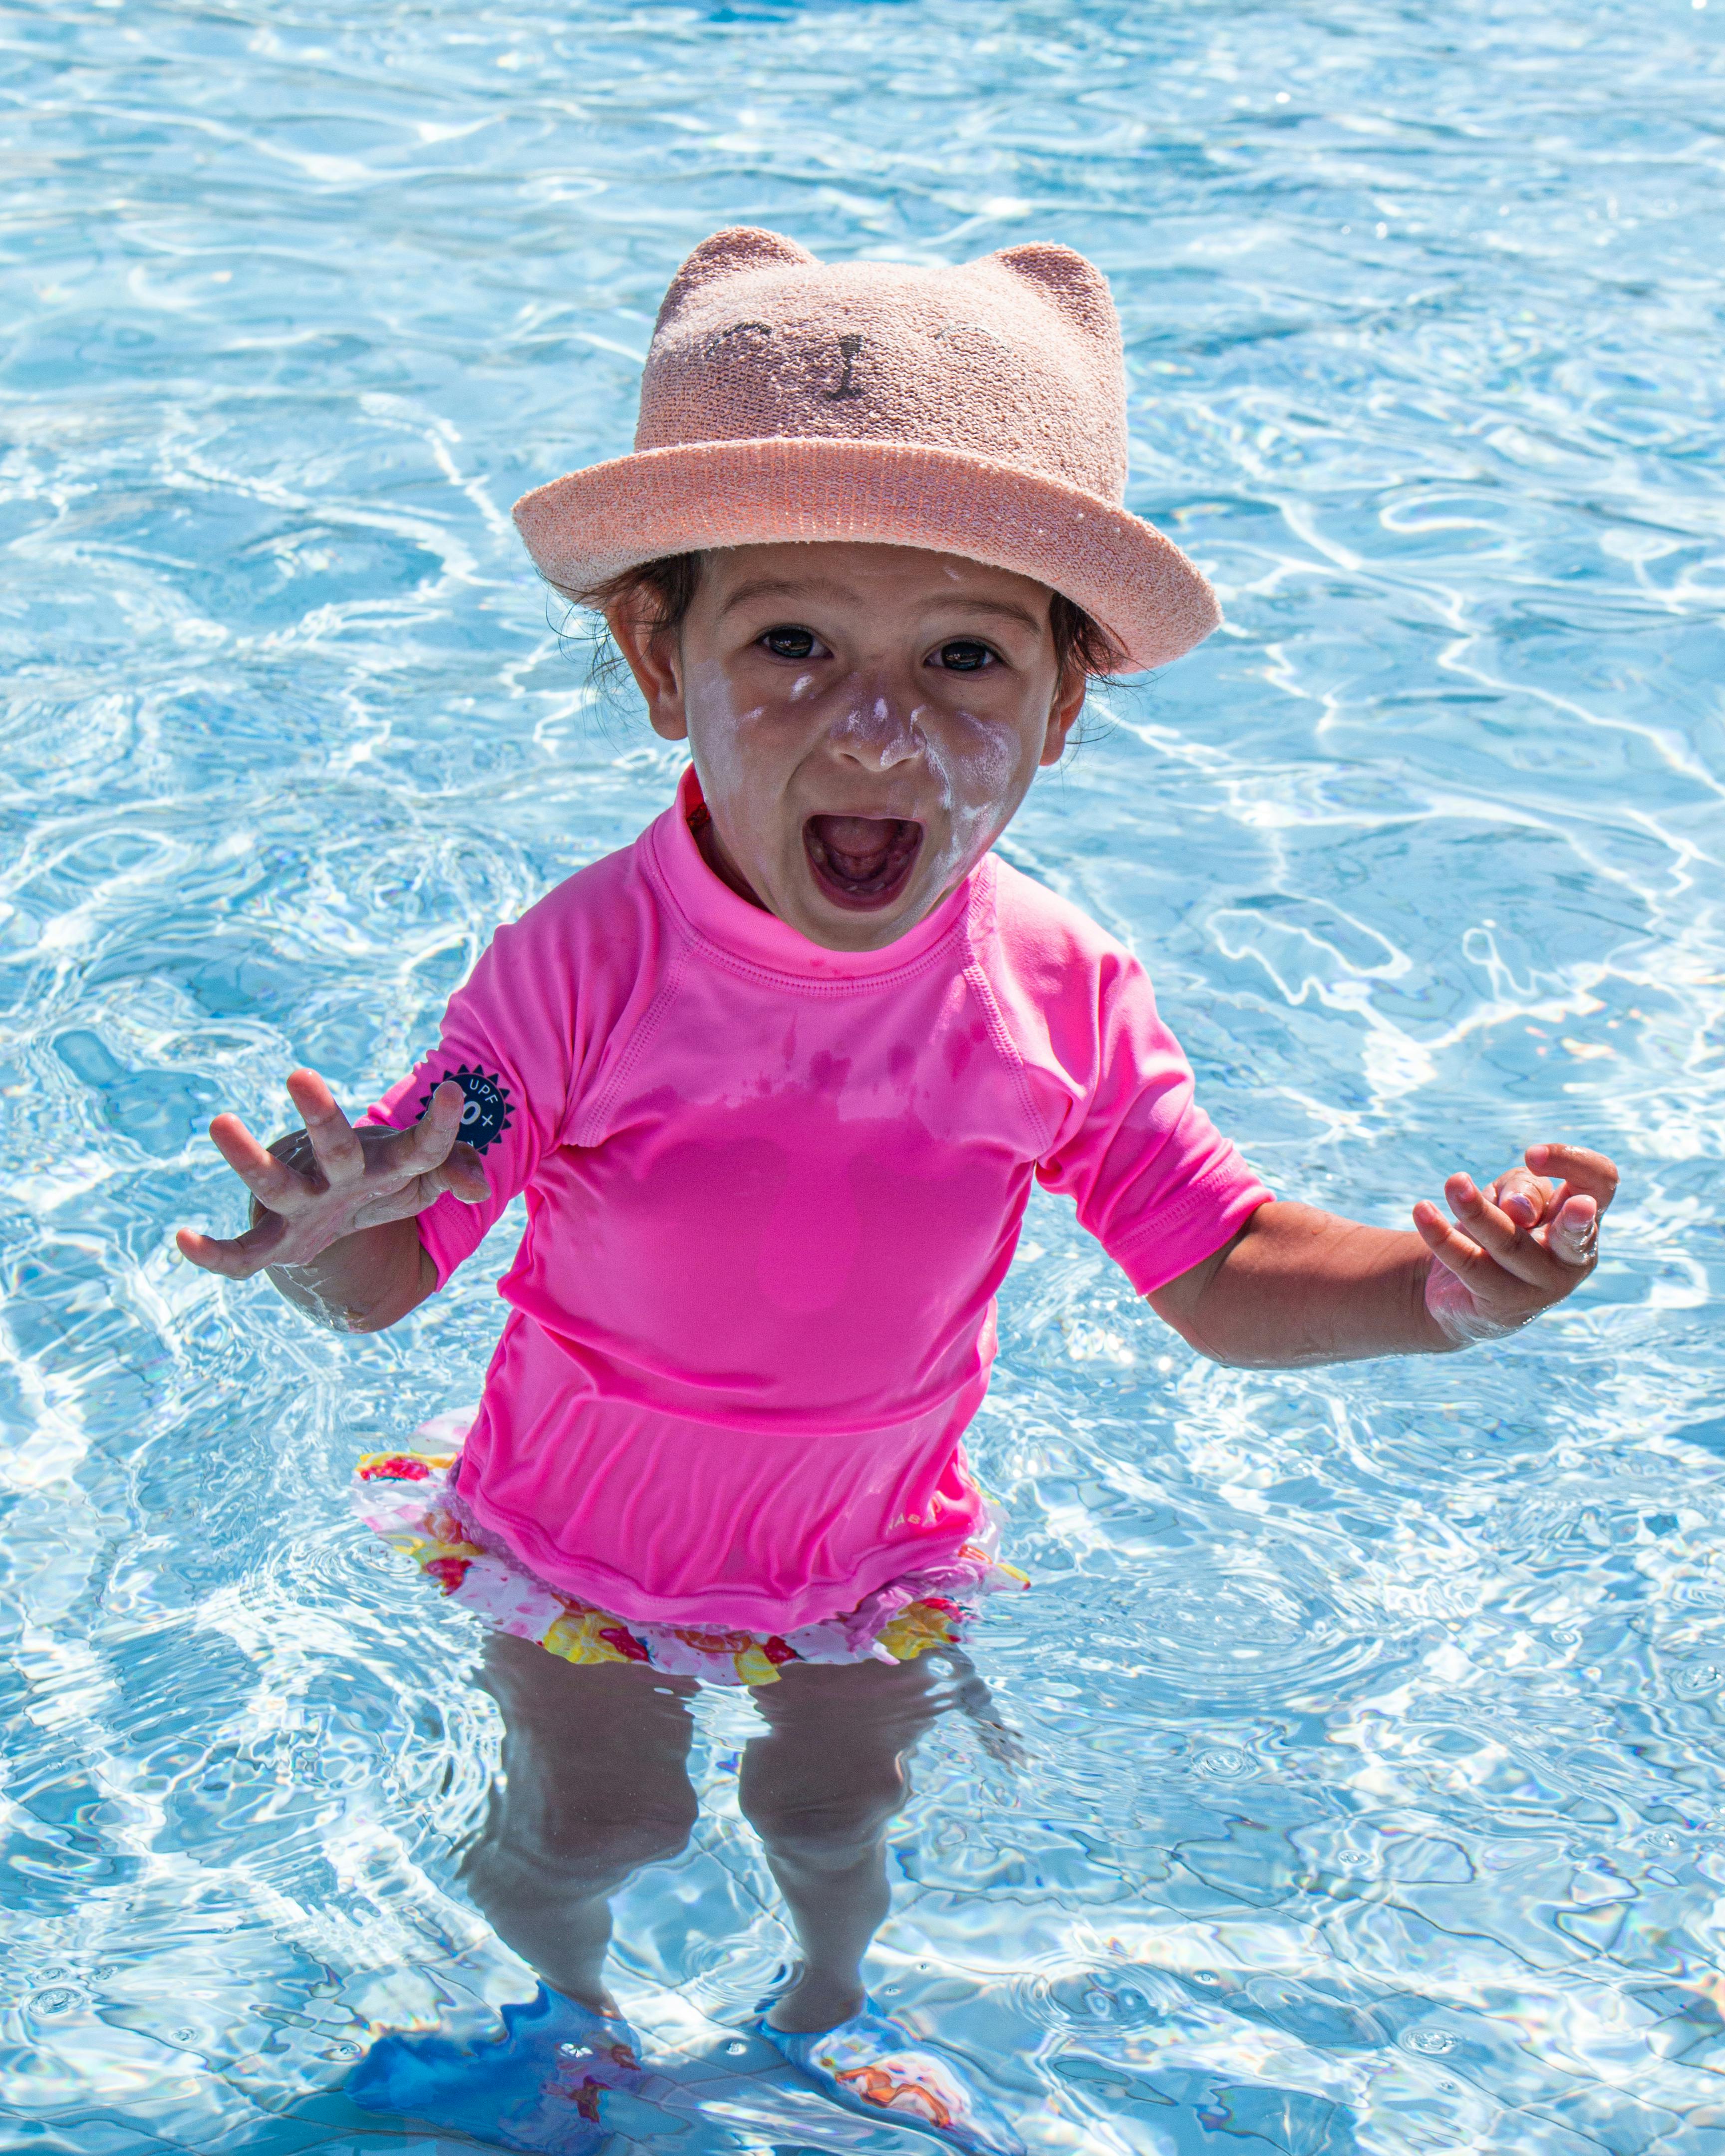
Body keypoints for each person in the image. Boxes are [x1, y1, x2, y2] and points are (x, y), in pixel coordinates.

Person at [177, 230, 1618, 2156]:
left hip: (866, 1541)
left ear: (1062, 708)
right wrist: (328, 1237)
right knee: (597, 1825)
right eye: (789, 644)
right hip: (584, 1524)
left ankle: (826, 2007)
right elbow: (396, 1262)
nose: (878, 726)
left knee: (835, 1820)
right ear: (654, 659)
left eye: (962, 657)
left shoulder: (1061, 988)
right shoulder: (580, 965)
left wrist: (1441, 1289)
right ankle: (568, 2006)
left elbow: (1222, 1258)